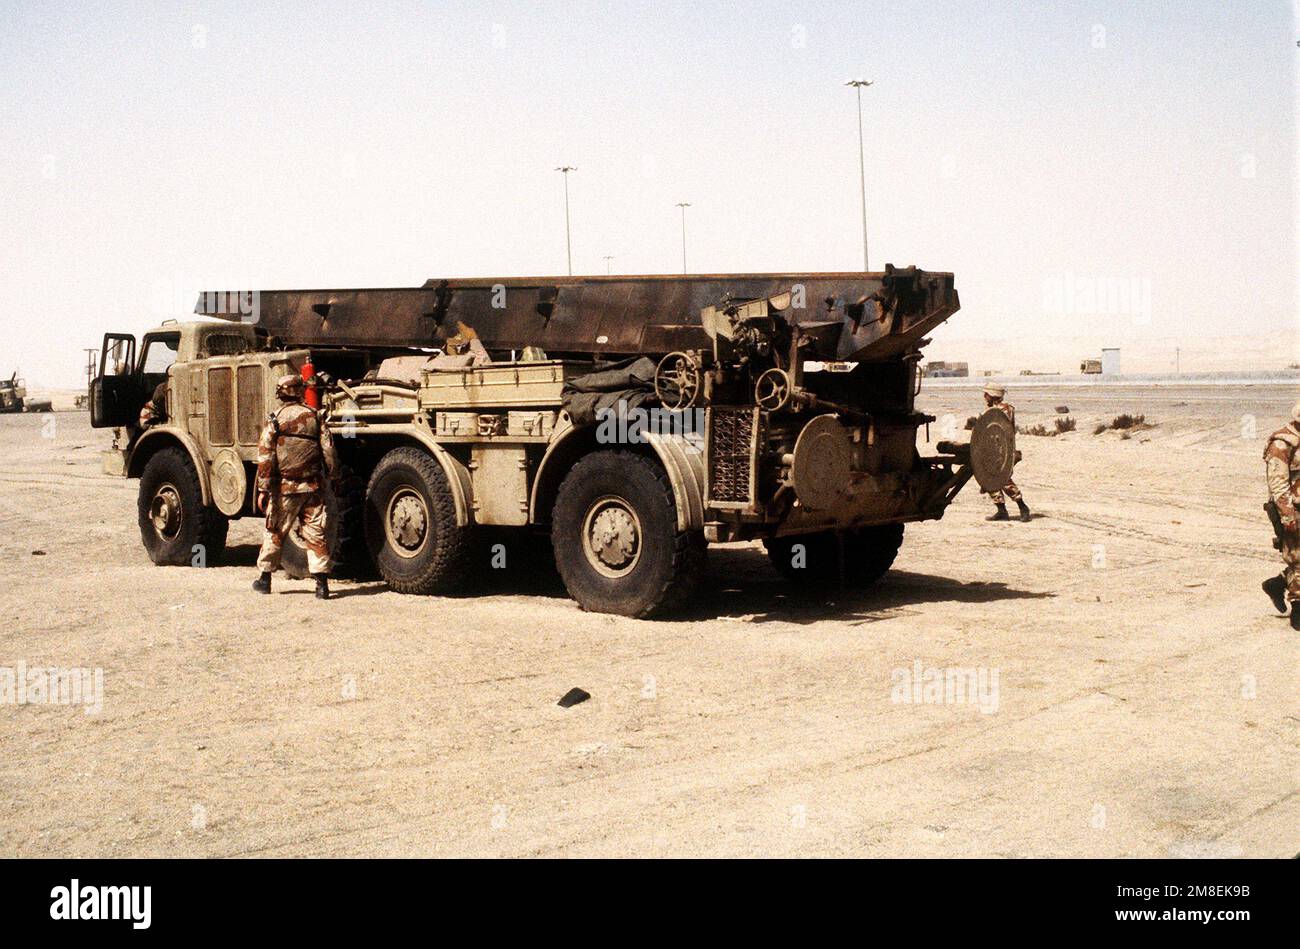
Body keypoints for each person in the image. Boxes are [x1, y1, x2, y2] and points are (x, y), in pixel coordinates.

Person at [252, 374, 338, 599]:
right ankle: (321, 585)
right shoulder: (315, 416)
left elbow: (265, 457)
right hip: (312, 488)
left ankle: (264, 579)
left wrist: (262, 488)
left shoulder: (275, 419)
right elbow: (328, 451)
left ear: (281, 392)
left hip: (284, 489)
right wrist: (331, 476)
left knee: (275, 531)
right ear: (299, 391)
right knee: (316, 533)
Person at [1262, 402, 1300, 630]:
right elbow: (1278, 485)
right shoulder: (1282, 443)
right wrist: (1287, 517)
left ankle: (1277, 584)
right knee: (1297, 557)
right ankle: (1298, 607)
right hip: (1292, 509)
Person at [981, 383, 1031, 522]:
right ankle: (1001, 511)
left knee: (1004, 480)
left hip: (1003, 451)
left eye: (986, 394)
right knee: (988, 480)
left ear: (992, 395)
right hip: (992, 451)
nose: (984, 397)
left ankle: (1023, 507)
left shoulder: (1004, 410)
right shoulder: (995, 410)